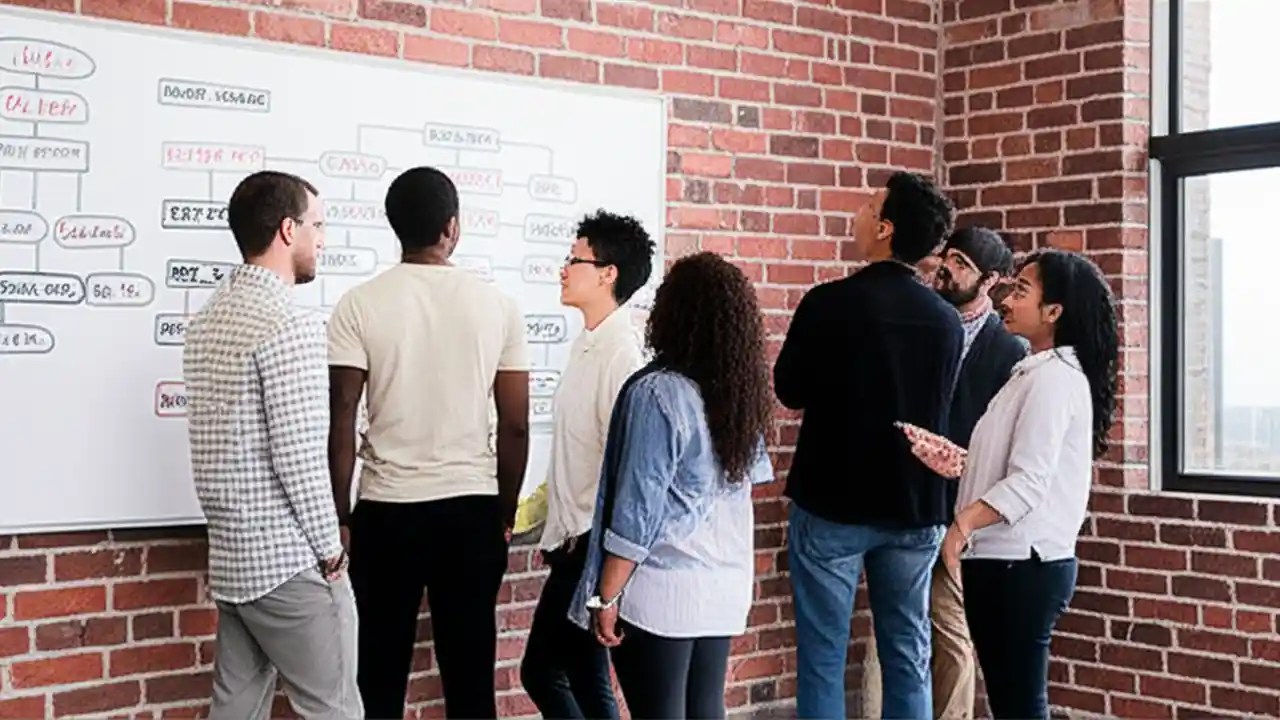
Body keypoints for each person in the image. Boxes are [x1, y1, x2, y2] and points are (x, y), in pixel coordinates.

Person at [326, 166, 530, 719]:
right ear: (452, 227)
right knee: (470, 681)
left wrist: (340, 514)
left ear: (396, 227)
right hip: (470, 511)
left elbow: (341, 414)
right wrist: (504, 510)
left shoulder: (358, 304)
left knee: (378, 677)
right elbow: (514, 425)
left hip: (387, 512)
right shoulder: (498, 306)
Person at [902, 248, 1119, 719]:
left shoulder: (1053, 380)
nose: (1006, 300)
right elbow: (1015, 467)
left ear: (1053, 311)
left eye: (1022, 291)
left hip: (1022, 566)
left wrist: (961, 527)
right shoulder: (1032, 371)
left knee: (1020, 706)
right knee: (1010, 704)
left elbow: (1029, 482)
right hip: (1004, 562)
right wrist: (962, 463)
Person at [775, 170, 960, 720]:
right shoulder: (946, 321)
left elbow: (789, 389)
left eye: (868, 205)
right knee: (908, 653)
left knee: (824, 656)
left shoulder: (828, 303)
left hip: (834, 499)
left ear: (884, 228)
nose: (857, 211)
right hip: (914, 506)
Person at [182, 170, 362, 720]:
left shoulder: (208, 318)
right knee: (334, 710)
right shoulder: (289, 323)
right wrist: (331, 550)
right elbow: (300, 456)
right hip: (289, 564)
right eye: (318, 225)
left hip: (236, 564)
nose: (322, 239)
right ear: (288, 230)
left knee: (235, 711)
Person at [568, 252, 774, 720]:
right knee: (705, 709)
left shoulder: (658, 392)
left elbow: (636, 514)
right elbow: (748, 479)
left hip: (663, 589)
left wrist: (606, 596)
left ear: (672, 313)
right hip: (723, 585)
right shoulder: (739, 395)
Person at [862, 227, 1027, 720]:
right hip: (907, 500)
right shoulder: (920, 323)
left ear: (992, 280)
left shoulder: (1010, 351)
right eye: (946, 257)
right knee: (887, 625)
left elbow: (1006, 441)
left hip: (961, 506)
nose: (946, 270)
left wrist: (965, 467)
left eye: (962, 263)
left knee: (953, 630)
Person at [519, 210, 655, 719]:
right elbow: (573, 453)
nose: (562, 269)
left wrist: (606, 574)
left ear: (607, 273)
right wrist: (529, 514)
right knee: (582, 674)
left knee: (544, 670)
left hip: (590, 546)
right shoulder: (587, 342)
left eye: (573, 260)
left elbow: (626, 468)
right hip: (572, 538)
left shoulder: (622, 355)